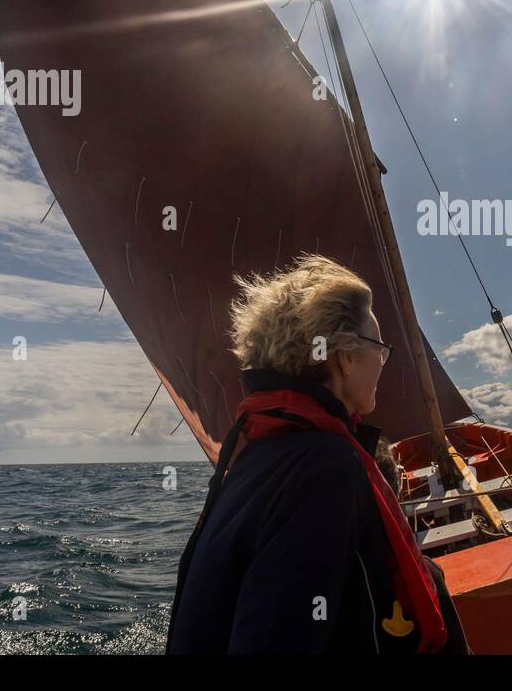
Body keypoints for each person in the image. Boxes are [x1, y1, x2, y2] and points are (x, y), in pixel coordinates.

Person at [166, 254, 466, 654]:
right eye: (379, 347)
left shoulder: (255, 451)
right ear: (344, 358)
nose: (383, 361)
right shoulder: (325, 468)